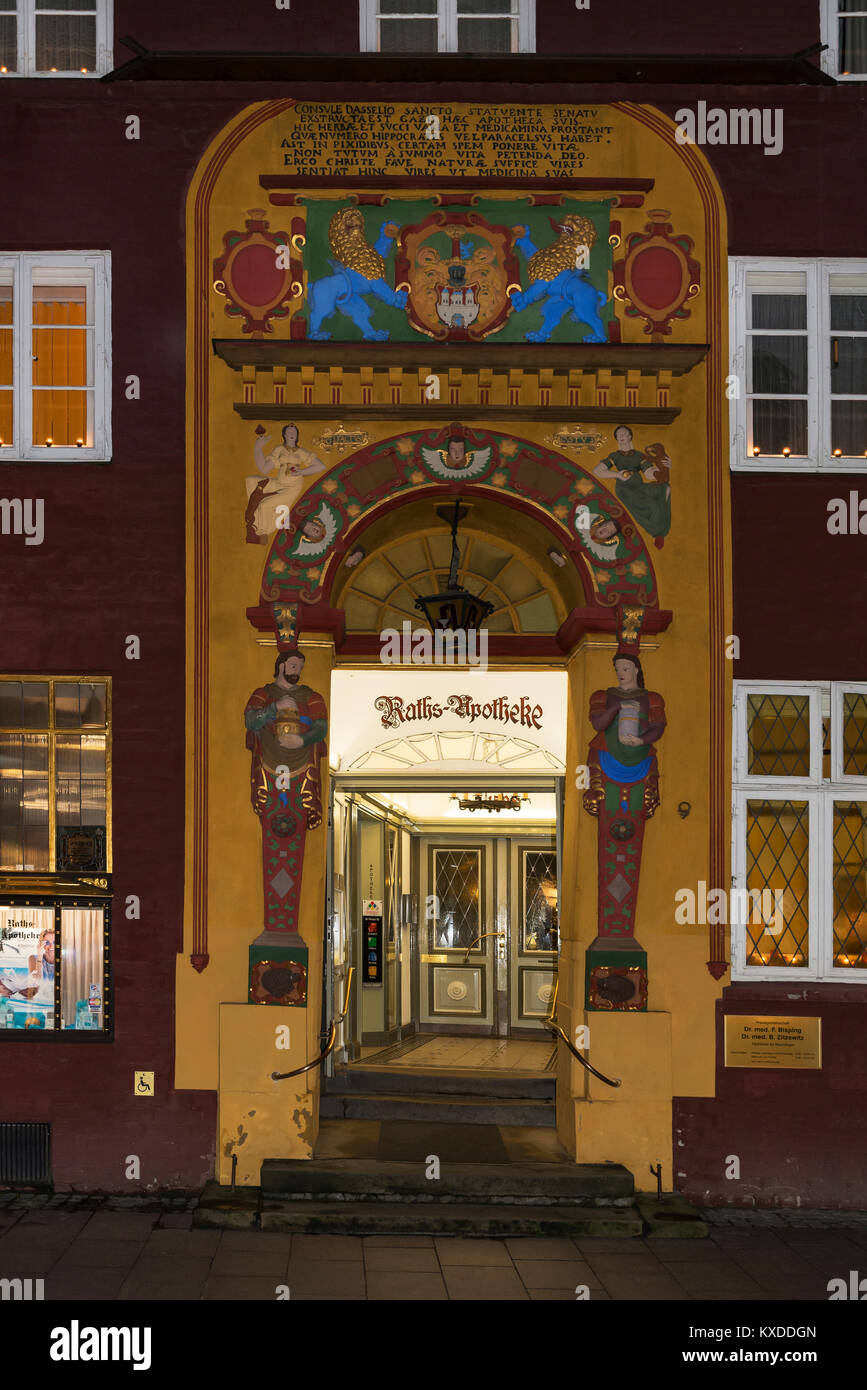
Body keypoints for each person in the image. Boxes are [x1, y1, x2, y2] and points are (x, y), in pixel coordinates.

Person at [244, 649, 329, 939]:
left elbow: (321, 727)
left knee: (291, 833)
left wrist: (301, 739)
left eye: (300, 665)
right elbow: (251, 721)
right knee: (275, 833)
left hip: (300, 770)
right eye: (292, 664)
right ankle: (278, 927)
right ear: (280, 665)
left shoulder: (311, 696)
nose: (296, 669)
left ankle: (283, 927)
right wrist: (275, 707)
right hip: (270, 771)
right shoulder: (263, 693)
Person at [245, 424, 326, 543]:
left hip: (292, 486)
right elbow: (264, 469)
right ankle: (254, 523)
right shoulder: (279, 449)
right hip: (279, 482)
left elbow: (321, 466)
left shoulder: (301, 451)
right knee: (251, 481)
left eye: (294, 432)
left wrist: (302, 471)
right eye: (289, 432)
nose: (292, 434)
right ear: (284, 435)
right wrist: (258, 449)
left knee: (264, 505)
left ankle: (260, 532)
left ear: (297, 436)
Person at [593, 425, 671, 545]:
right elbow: (597, 471)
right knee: (653, 504)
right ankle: (657, 532)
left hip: (640, 486)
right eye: (618, 435)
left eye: (624, 434)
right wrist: (617, 475)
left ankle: (660, 530)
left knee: (664, 488)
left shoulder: (639, 455)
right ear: (617, 439)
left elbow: (649, 473)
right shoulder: (615, 456)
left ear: (630, 436)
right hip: (626, 489)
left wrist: (663, 468)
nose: (621, 436)